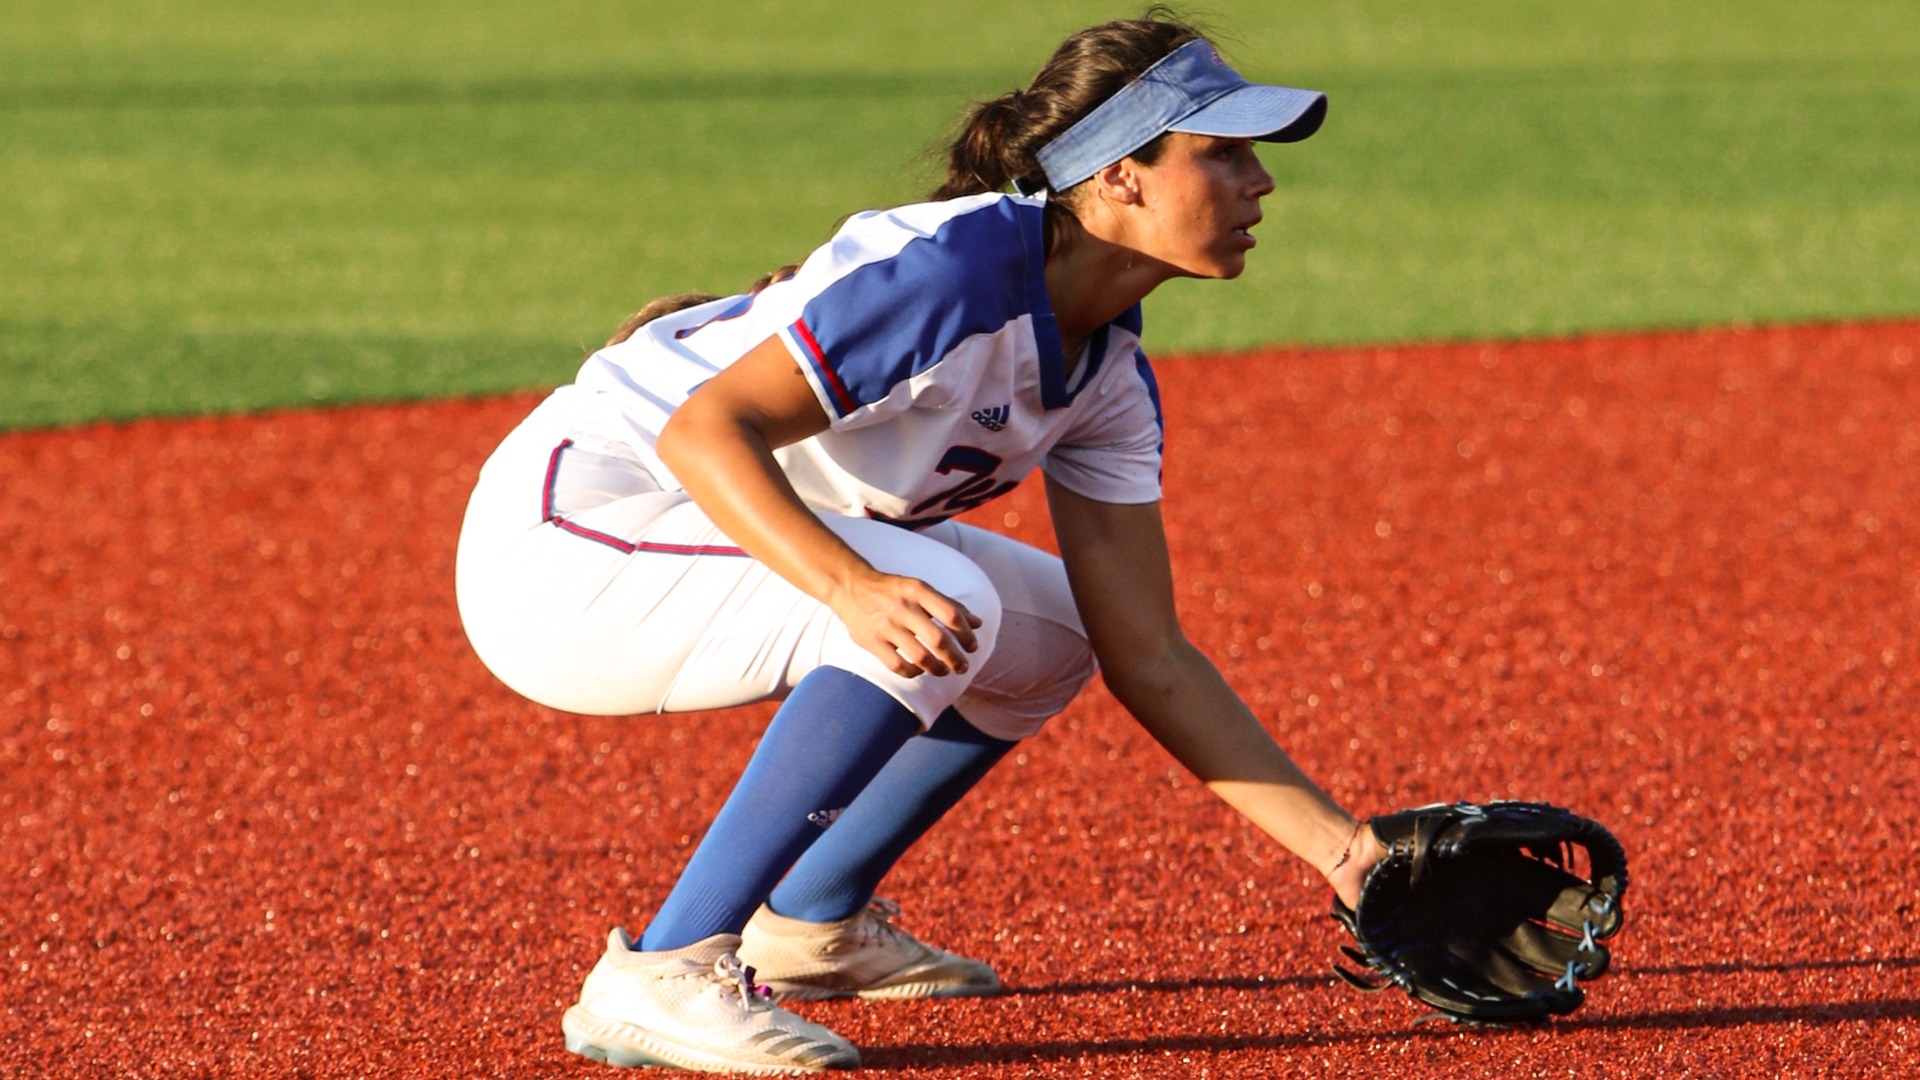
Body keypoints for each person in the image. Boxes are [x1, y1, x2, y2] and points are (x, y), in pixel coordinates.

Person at [454, 12, 1387, 1074]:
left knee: (1052, 633)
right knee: (932, 595)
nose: (1260, 182)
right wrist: (849, 586)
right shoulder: (961, 272)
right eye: (1222, 153)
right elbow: (703, 430)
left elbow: (1152, 655)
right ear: (1120, 176)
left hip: (674, 528)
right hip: (566, 544)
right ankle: (666, 968)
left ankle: (811, 923)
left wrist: (1349, 854)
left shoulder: (1108, 380)